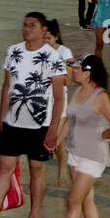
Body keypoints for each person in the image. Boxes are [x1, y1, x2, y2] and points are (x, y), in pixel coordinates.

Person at [0, 13, 67, 218]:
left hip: (39, 124)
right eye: (25, 25)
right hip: (13, 122)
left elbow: (59, 97)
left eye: (33, 25)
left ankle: (34, 217)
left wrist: (53, 128)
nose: (27, 28)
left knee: (37, 170)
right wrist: (1, 117)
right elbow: (7, 87)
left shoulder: (52, 57)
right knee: (5, 167)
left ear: (44, 30)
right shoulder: (13, 51)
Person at [41, 55, 110, 218]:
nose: (73, 72)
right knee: (86, 201)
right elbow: (70, 120)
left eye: (77, 69)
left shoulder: (100, 97)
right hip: (75, 153)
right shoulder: (79, 92)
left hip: (93, 157)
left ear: (88, 73)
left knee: (73, 201)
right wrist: (56, 142)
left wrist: (103, 136)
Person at [43, 19, 77, 188]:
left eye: (48, 38)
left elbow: (68, 81)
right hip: (41, 100)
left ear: (56, 37)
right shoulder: (38, 52)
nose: (46, 42)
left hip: (58, 100)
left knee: (57, 138)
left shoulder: (65, 52)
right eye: (44, 38)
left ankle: (62, 167)